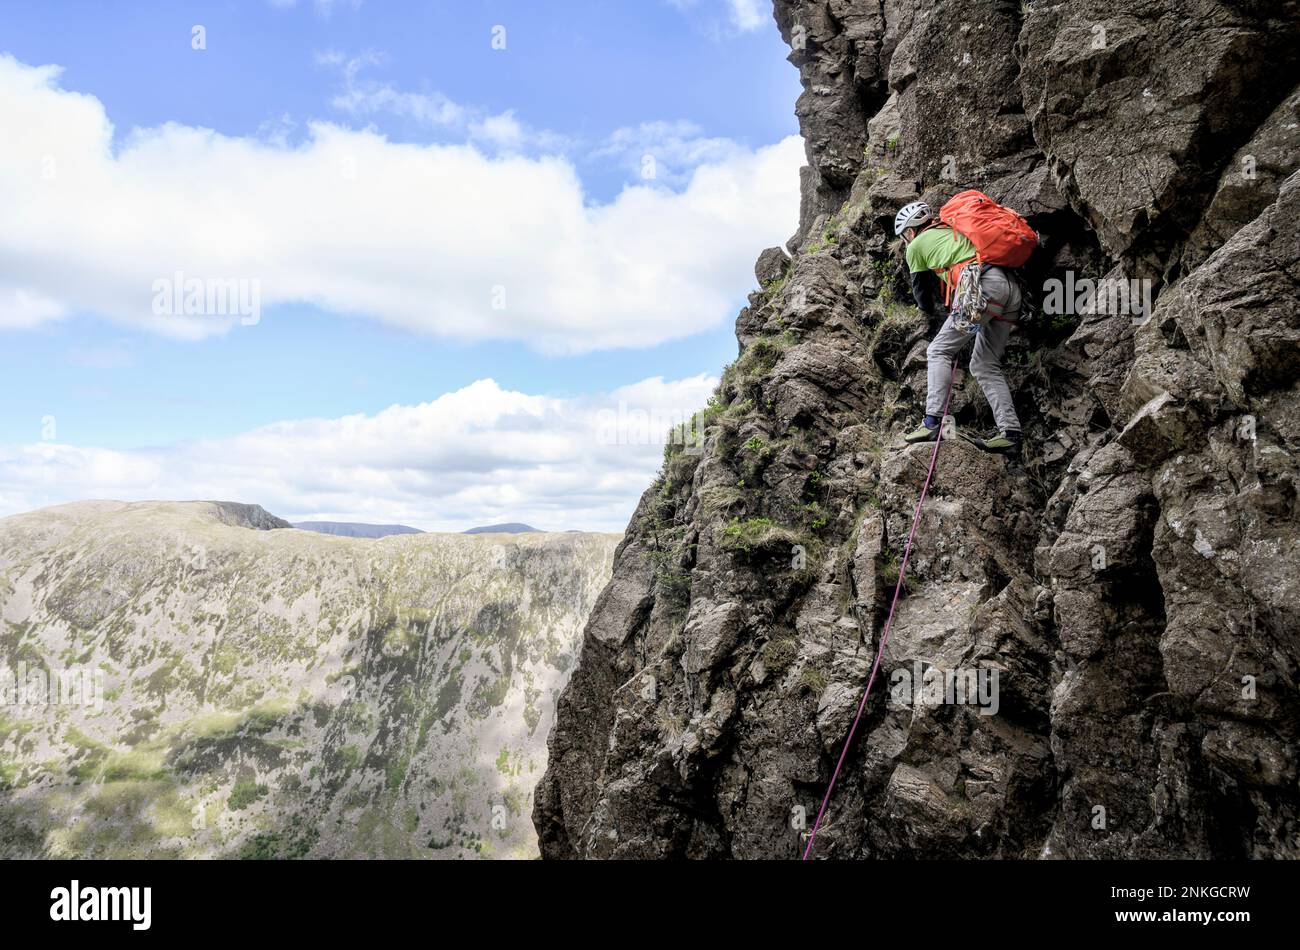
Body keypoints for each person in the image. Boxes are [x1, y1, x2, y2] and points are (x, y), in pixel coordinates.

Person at [894, 200, 1022, 454]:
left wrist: (930, 317)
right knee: (984, 364)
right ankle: (1010, 434)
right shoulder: (953, 229)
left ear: (910, 231)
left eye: (904, 236)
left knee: (938, 350)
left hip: (980, 287)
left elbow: (921, 294)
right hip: (1009, 289)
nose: (905, 241)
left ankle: (932, 422)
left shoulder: (915, 246)